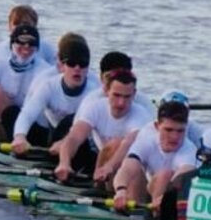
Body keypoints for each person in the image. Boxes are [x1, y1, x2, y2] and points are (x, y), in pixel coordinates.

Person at [53, 51, 151, 187]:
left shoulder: (142, 113)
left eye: (127, 97)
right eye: (116, 95)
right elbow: (74, 137)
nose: (121, 103)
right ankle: (98, 185)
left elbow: (128, 143)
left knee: (117, 144)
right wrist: (64, 162)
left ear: (134, 94)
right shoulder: (94, 105)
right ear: (106, 90)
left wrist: (110, 166)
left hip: (136, 167)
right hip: (104, 161)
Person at [10, 32, 98, 158]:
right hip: (54, 135)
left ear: (88, 67)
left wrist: (65, 143)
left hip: (85, 144)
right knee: (11, 115)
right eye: (71, 63)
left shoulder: (93, 93)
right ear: (61, 66)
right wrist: (19, 136)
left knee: (69, 122)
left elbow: (85, 131)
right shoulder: (48, 85)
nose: (77, 68)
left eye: (83, 64)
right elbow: (27, 114)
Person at [112, 94, 201, 214]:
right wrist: (121, 190)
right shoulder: (147, 140)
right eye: (168, 130)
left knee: (165, 175)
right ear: (157, 126)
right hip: (148, 188)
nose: (175, 137)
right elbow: (127, 167)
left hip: (173, 195)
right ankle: (135, 215)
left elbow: (181, 178)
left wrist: (164, 198)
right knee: (134, 169)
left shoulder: (189, 149)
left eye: (180, 131)